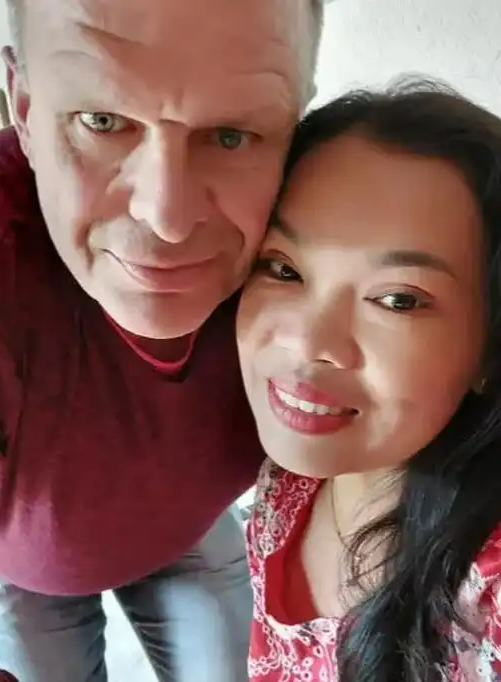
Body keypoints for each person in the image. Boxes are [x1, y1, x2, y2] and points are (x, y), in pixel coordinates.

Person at [0, 0, 326, 680]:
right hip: (24, 575)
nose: (166, 218)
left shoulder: (325, 223)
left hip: (192, 530)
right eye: (101, 121)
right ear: (23, 108)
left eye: (230, 135)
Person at [237, 80, 501, 681]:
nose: (308, 342)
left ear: (490, 350)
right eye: (283, 268)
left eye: (398, 299)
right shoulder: (286, 486)